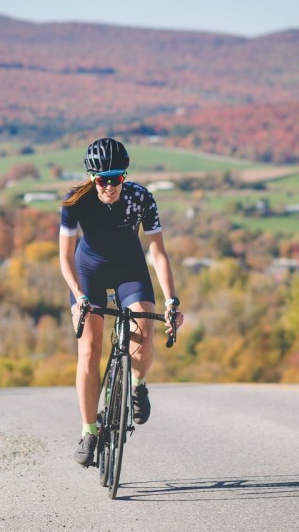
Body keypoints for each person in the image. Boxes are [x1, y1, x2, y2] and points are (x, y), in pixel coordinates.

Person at [59, 137, 184, 467]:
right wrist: (79, 296)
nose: (109, 186)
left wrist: (171, 300)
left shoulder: (141, 198)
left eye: (116, 178)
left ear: (124, 176)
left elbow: (158, 252)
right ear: (92, 178)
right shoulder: (75, 202)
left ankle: (138, 385)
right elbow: (65, 258)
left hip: (129, 268)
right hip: (89, 272)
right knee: (89, 350)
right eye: (102, 180)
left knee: (144, 333)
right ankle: (89, 431)